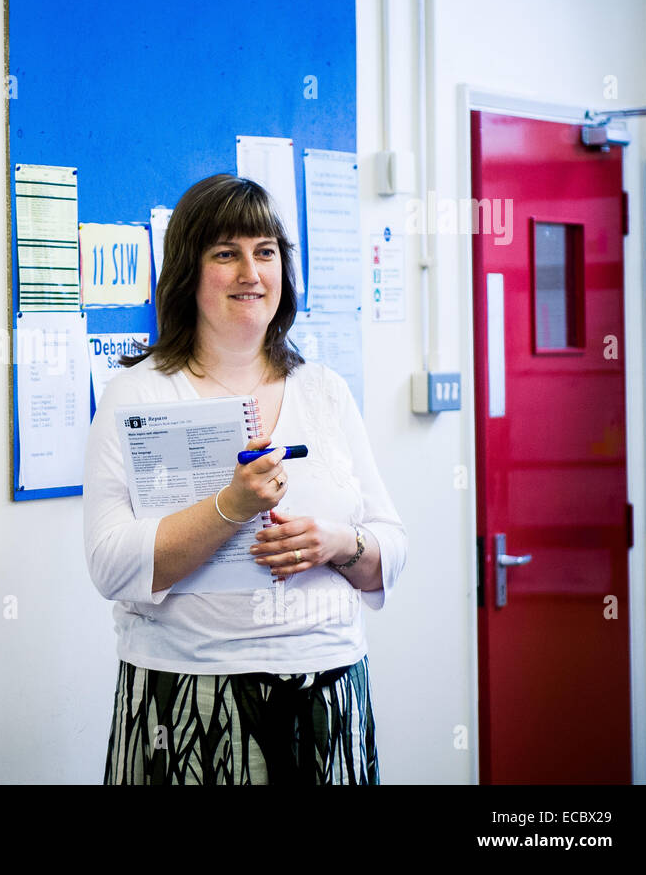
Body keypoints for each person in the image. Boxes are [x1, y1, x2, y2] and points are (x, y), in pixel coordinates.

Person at [83, 173, 407, 785]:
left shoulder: (324, 390)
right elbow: (109, 564)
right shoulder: (139, 394)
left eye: (265, 252)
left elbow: (391, 546)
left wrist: (338, 543)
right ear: (187, 271)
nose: (249, 273)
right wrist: (229, 508)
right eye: (225, 253)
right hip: (185, 701)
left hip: (328, 691)